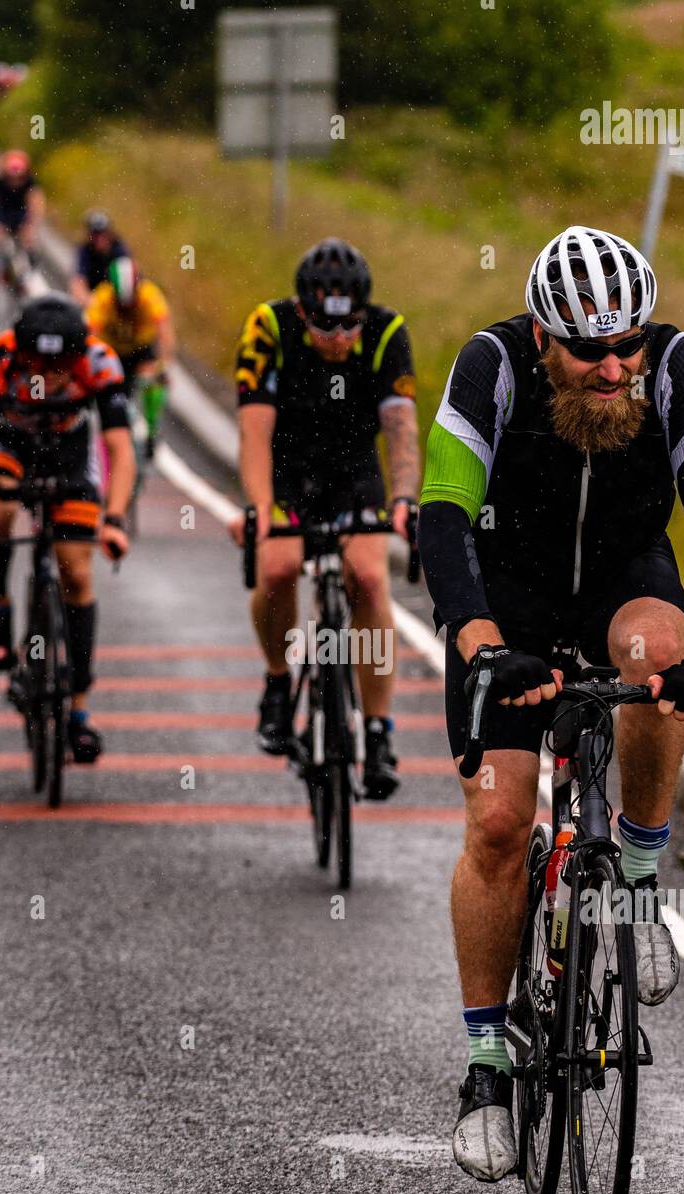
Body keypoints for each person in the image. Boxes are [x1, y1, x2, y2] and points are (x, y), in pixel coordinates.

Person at [417, 225, 684, 1181]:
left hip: (622, 580)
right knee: (496, 821)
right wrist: (479, 641)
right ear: (541, 336)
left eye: (626, 344)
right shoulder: (490, 364)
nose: (613, 369)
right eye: (587, 350)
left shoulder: (674, 364)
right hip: (506, 603)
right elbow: (441, 509)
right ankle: (486, 1064)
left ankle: (639, 875)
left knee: (657, 654)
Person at [229, 237, 420, 798]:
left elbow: (402, 431)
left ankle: (379, 730)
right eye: (323, 327)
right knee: (279, 567)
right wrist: (260, 509)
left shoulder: (387, 332)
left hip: (353, 469)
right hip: (289, 466)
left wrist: (405, 500)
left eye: (347, 327)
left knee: (368, 577)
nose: (337, 340)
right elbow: (254, 430)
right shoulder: (268, 327)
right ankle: (276, 680)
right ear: (302, 311)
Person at [0, 294, 136, 763]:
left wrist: (114, 521)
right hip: (12, 444)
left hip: (72, 451)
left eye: (61, 364)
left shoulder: (99, 362)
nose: (50, 374)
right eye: (39, 362)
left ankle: (78, 709)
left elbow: (120, 448)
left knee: (77, 573)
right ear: (22, 353)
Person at [85, 257, 174, 454]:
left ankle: (152, 429)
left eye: (131, 300)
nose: (126, 306)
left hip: (141, 351)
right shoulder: (102, 298)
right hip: (114, 353)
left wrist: (164, 364)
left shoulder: (150, 295)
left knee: (155, 385)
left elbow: (165, 333)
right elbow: (89, 336)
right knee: (110, 397)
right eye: (120, 302)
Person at [0, 149, 44, 255]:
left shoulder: (31, 185)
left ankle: (29, 261)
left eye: (19, 178)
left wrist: (31, 226)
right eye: (11, 177)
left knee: (30, 243)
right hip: (3, 215)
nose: (15, 181)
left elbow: (36, 205)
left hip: (21, 214)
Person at [70, 210, 129, 306]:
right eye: (95, 234)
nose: (99, 239)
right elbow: (78, 283)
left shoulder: (119, 250)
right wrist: (92, 303)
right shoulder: (85, 251)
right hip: (93, 302)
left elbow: (129, 279)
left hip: (115, 303)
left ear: (109, 233)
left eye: (103, 234)